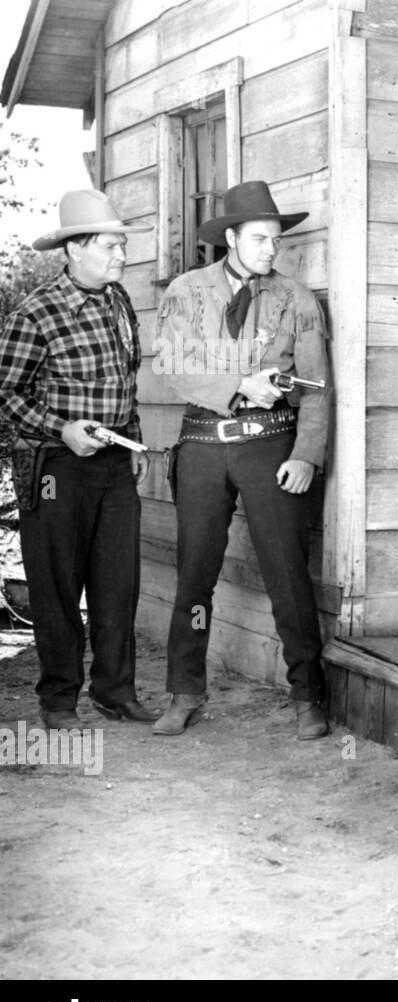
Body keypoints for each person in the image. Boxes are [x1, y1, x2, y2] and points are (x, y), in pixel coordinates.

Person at [152, 181, 331, 740]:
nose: (270, 250)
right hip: (203, 447)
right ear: (229, 238)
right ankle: (184, 692)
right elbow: (172, 366)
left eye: (276, 241)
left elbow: (318, 388)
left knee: (288, 574)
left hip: (270, 446)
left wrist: (306, 455)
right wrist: (238, 384)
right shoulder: (185, 292)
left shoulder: (298, 301)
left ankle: (308, 696)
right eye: (258, 239)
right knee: (194, 574)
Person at [0, 190, 156, 729]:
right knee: (58, 585)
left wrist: (130, 438)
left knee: (117, 584)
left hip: (114, 464)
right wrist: (62, 429)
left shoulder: (120, 302)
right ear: (75, 250)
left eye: (122, 247)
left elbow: (124, 381)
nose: (121, 257)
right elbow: (7, 393)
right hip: (56, 468)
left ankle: (115, 691)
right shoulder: (36, 313)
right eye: (111, 247)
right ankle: (59, 700)